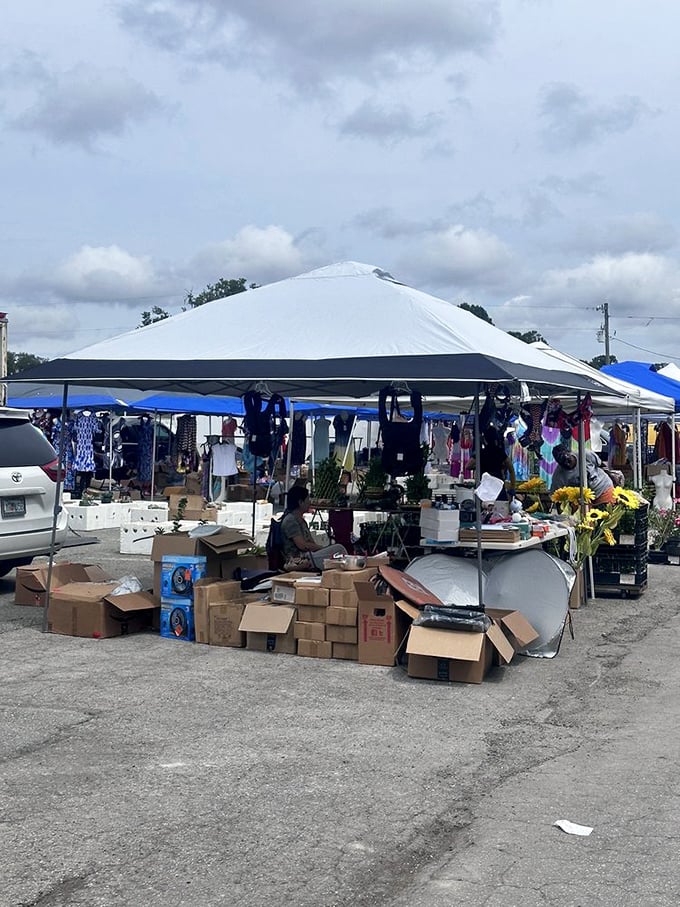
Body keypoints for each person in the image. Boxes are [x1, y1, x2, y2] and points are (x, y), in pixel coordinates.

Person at [280, 486, 347, 571]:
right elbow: (303, 545)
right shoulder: (290, 521)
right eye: (307, 500)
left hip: (309, 555)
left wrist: (322, 549)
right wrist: (321, 548)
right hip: (300, 559)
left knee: (337, 553)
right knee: (339, 549)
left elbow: (310, 542)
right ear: (300, 502)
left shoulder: (300, 520)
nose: (309, 503)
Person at [470, 426, 516, 499]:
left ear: (484, 438)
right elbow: (511, 469)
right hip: (498, 486)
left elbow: (468, 466)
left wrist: (479, 465)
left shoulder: (481, 453)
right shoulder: (500, 452)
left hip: (485, 487)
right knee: (500, 508)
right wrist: (512, 488)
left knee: (485, 508)